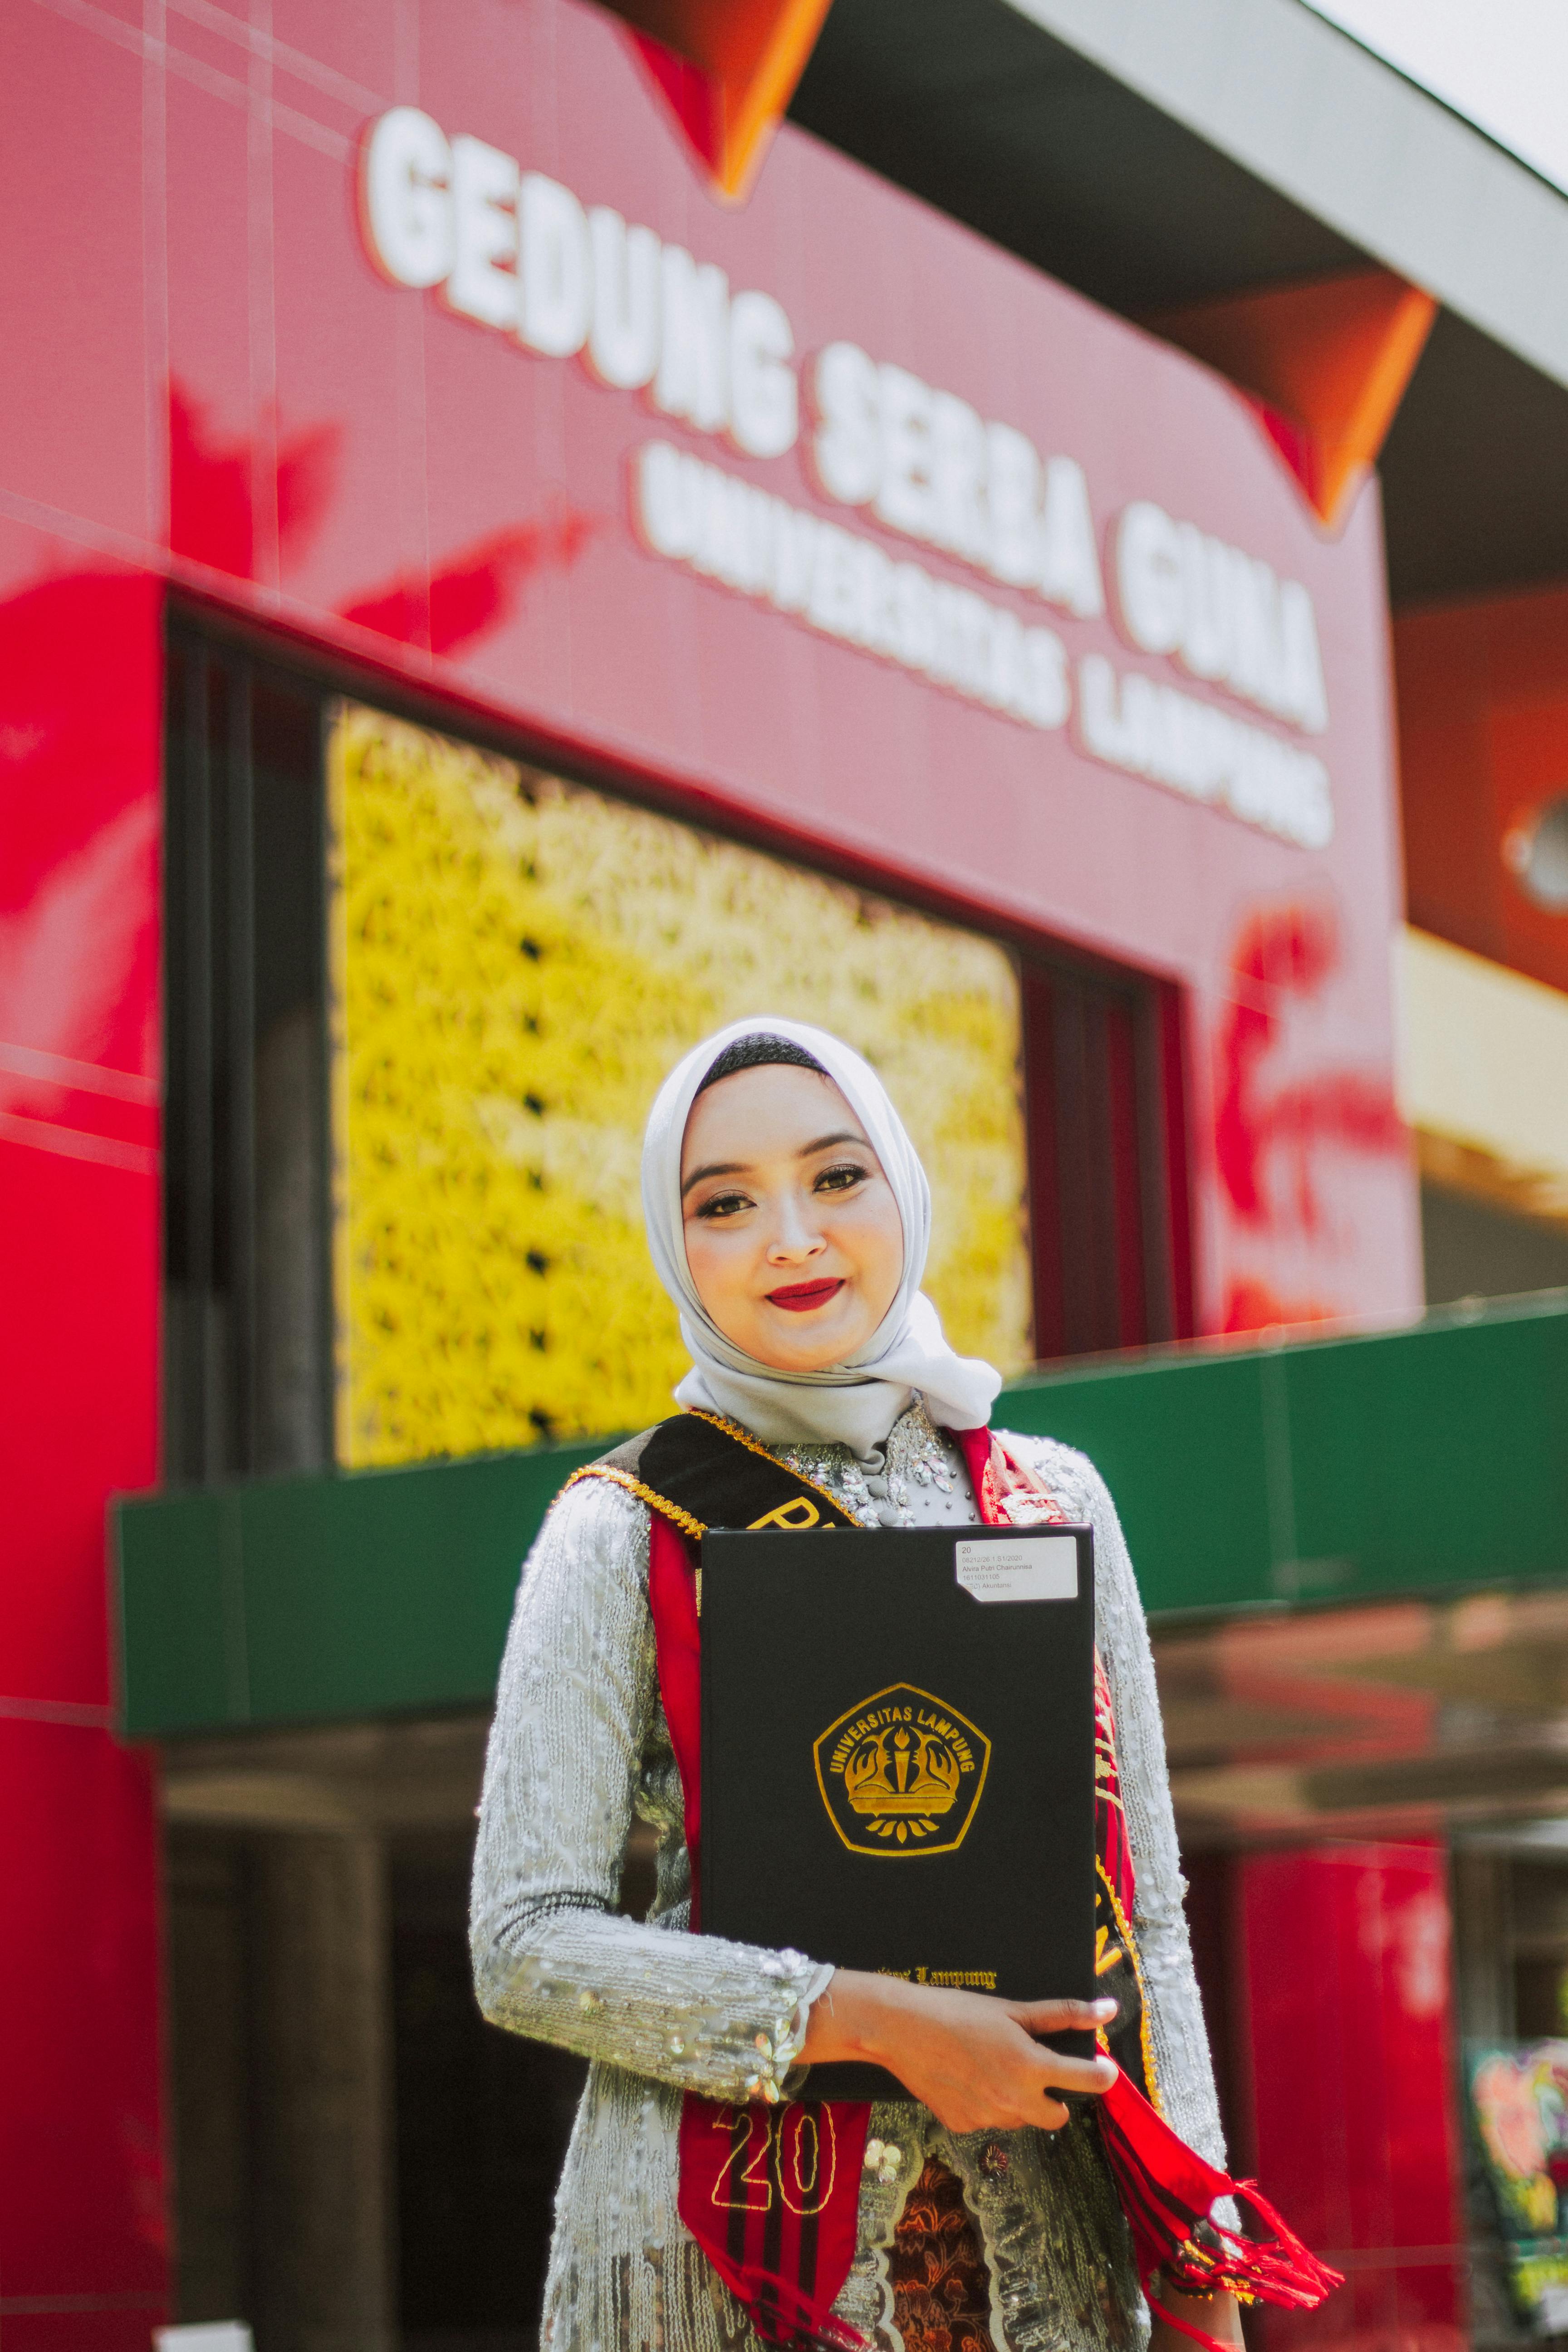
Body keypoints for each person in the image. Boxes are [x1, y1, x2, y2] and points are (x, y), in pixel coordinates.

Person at [471, 1017, 1313, 2352]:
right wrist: (869, 2021)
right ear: (672, 1243)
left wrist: (1199, 2263)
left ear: (905, 1192)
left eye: (836, 1177)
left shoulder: (1051, 1499)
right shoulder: (621, 1527)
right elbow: (522, 1946)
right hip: (723, 2265)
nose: (792, 1238)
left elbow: (1147, 1910)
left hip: (1052, 2249)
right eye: (727, 1203)